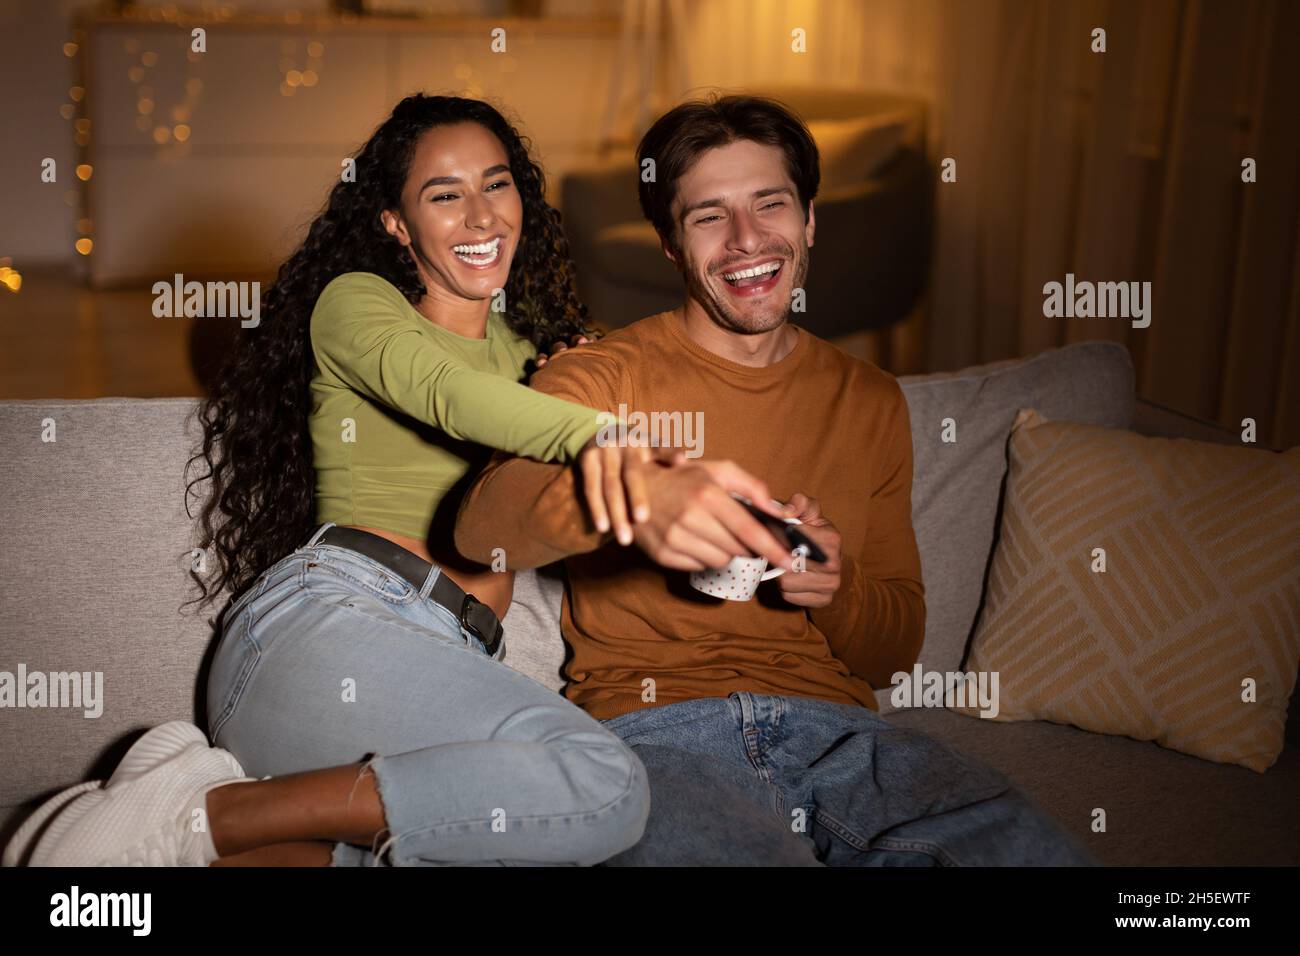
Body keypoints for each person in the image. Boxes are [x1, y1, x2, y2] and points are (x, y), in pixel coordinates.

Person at [4, 94, 670, 867]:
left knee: (504, 831)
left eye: (497, 184)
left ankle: (204, 834)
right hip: (334, 625)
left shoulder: (540, 361)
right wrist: (612, 435)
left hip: (424, 678)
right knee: (606, 783)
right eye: (444, 195)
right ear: (395, 222)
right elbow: (451, 398)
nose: (483, 216)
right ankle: (202, 809)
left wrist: (590, 380)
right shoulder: (358, 305)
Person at [453, 93, 1098, 866]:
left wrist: (835, 585)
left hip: (849, 740)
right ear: (668, 243)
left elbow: (893, 653)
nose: (748, 240)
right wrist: (639, 500)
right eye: (708, 216)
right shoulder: (599, 375)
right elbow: (482, 530)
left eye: (771, 204)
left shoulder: (869, 398)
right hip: (657, 736)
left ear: (810, 220)